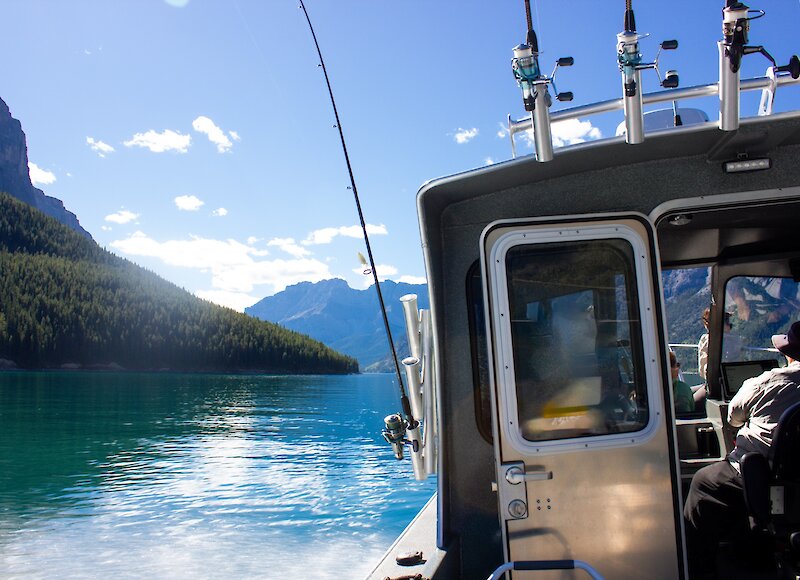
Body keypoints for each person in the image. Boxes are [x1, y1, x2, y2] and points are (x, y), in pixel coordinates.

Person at [683, 320, 800, 577]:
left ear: (788, 354)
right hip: (795, 487)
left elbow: (734, 418)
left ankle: (700, 571)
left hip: (762, 477)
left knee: (702, 482)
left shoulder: (766, 382)